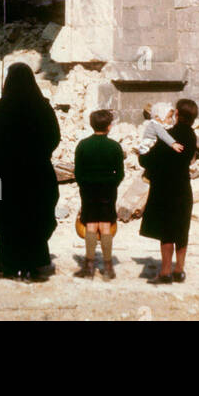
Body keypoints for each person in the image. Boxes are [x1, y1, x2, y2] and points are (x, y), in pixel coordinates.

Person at [0, 62, 60, 281]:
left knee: (10, 217)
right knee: (34, 216)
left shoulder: (2, 107)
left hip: (7, 175)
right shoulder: (43, 107)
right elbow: (54, 136)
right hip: (37, 172)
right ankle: (33, 263)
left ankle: (9, 263)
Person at [139, 97, 198, 284]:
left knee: (167, 231)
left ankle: (165, 271)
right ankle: (179, 269)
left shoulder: (168, 135)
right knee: (181, 229)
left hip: (165, 188)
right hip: (183, 187)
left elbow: (148, 160)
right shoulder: (192, 136)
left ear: (178, 115)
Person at [73, 109, 124, 280]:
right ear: (109, 126)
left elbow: (78, 171)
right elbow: (120, 173)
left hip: (88, 189)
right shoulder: (115, 146)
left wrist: (84, 184)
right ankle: (108, 267)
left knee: (90, 224)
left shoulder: (83, 145)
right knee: (105, 225)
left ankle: (88, 267)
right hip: (108, 190)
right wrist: (112, 184)